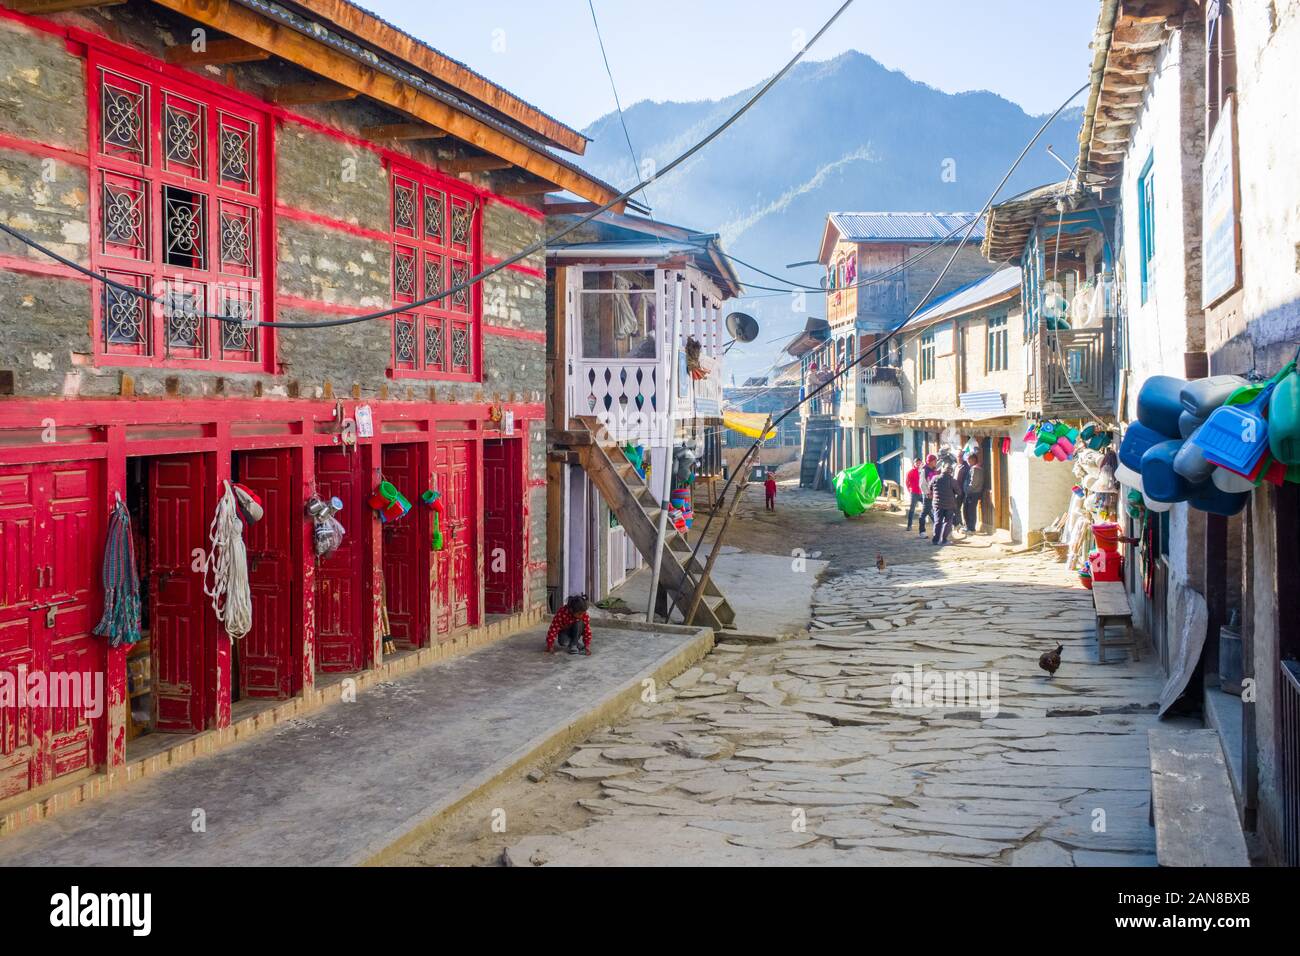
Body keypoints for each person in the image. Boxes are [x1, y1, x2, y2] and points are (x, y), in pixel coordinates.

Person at [931, 463, 962, 545]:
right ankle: (944, 539)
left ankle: (935, 540)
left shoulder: (935, 478)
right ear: (951, 471)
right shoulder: (953, 481)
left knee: (937, 522)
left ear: (942, 469)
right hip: (949, 505)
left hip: (937, 504)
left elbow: (930, 488)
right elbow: (959, 492)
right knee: (948, 522)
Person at [963, 450, 986, 533]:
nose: (968, 462)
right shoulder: (973, 468)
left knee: (971, 510)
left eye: (969, 460)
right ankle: (968, 526)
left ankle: (971, 528)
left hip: (973, 493)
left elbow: (974, 483)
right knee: (967, 509)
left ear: (973, 460)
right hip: (971, 492)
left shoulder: (976, 469)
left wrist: (967, 489)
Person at [917, 453, 938, 536]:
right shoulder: (924, 470)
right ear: (930, 461)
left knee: (934, 512)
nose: (936, 462)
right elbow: (922, 484)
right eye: (934, 461)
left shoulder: (933, 470)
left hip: (933, 494)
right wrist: (928, 493)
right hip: (927, 495)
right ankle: (922, 531)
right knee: (924, 512)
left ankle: (937, 530)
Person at [905, 458, 923, 530]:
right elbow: (907, 482)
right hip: (914, 493)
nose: (918, 464)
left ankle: (935, 523)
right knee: (912, 509)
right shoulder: (911, 472)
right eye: (917, 463)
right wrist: (910, 490)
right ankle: (909, 526)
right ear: (914, 463)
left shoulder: (922, 471)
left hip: (922, 493)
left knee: (928, 508)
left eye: (919, 463)